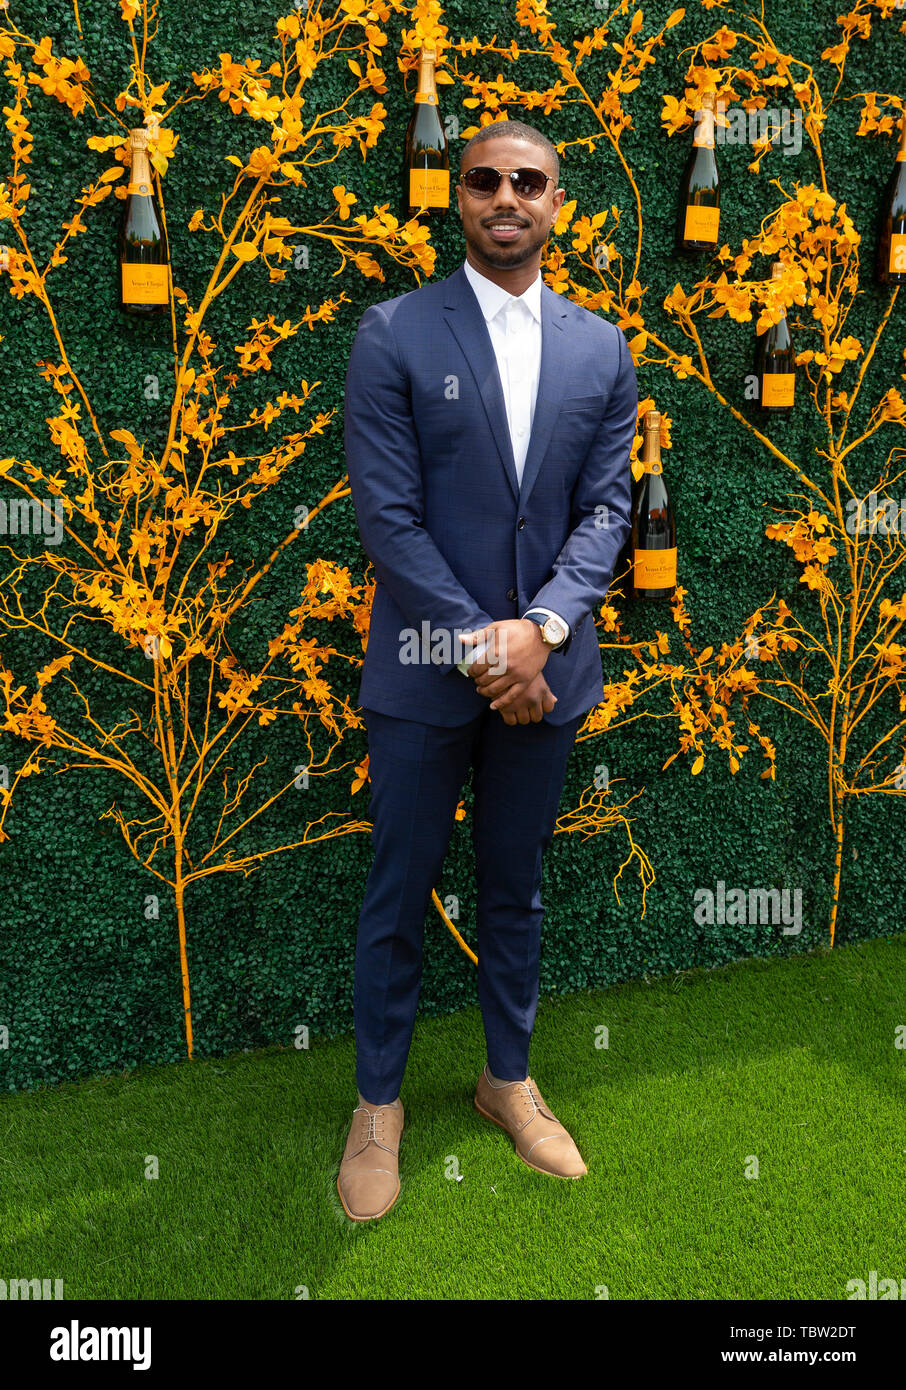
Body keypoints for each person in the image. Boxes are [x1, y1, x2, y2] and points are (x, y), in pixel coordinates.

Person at [339, 119, 637, 1221]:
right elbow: (389, 519)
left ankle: (505, 1079)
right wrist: (485, 642)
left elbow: (608, 509)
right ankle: (378, 1105)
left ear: (558, 201)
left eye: (530, 180)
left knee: (515, 891)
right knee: (397, 894)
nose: (506, 195)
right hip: (424, 674)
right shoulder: (395, 333)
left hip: (548, 676)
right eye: (485, 179)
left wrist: (543, 631)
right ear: (458, 197)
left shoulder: (603, 348)